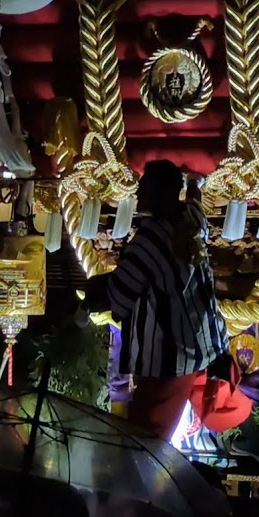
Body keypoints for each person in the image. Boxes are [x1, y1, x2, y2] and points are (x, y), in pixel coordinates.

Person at [95, 160, 229, 439]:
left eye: (144, 186)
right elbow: (195, 203)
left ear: (161, 191)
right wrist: (194, 184)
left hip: (168, 358)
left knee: (147, 441)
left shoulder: (149, 239)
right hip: (199, 344)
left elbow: (119, 294)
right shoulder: (190, 219)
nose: (137, 193)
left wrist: (90, 297)